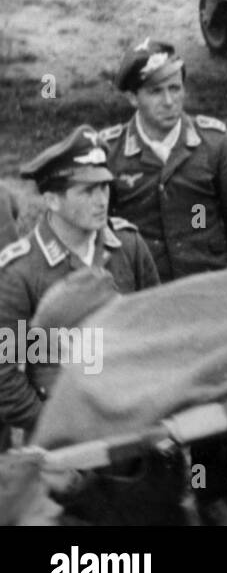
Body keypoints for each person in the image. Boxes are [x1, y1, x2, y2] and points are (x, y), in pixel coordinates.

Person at [0, 126, 158, 447]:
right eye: (87, 191)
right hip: (63, 444)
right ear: (52, 200)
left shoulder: (129, 246)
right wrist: (53, 424)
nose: (102, 201)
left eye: (104, 187)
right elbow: (4, 375)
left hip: (134, 424)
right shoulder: (20, 272)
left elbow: (158, 331)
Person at [99, 38, 227, 282]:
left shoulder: (215, 143)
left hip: (208, 286)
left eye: (175, 88)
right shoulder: (110, 152)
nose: (168, 101)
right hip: (145, 292)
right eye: (156, 91)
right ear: (133, 98)